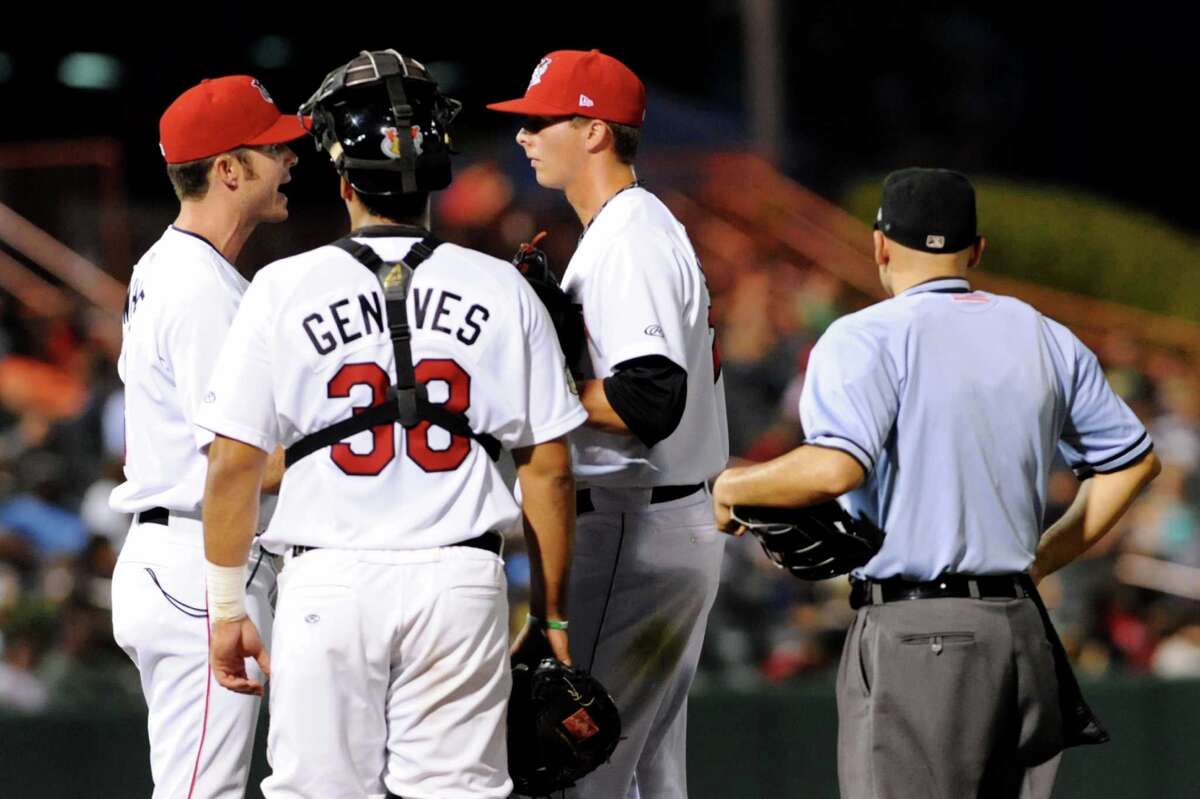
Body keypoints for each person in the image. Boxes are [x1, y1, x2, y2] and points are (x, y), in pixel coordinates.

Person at [198, 49, 585, 798]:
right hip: (459, 577)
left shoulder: (280, 288)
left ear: (343, 180)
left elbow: (231, 465)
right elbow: (551, 464)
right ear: (438, 171)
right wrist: (553, 616)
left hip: (327, 581)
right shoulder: (502, 287)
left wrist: (224, 608)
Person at [711, 168, 1161, 798]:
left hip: (920, 633)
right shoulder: (1040, 332)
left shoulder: (865, 335)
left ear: (879, 245)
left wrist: (735, 487)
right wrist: (1040, 564)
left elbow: (836, 466)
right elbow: (1134, 462)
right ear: (976, 250)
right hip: (1020, 631)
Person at [488, 49, 729, 798]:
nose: (525, 137)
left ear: (594, 131)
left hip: (633, 529)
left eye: (541, 121)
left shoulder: (629, 238)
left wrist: (536, 392)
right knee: (644, 772)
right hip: (660, 521)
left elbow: (649, 398)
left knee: (571, 771)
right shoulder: (624, 231)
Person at [108, 75, 304, 799]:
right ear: (228, 168)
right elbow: (238, 462)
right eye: (274, 148)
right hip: (201, 561)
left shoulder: (177, 265)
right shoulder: (200, 288)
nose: (291, 161)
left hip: (185, 555)